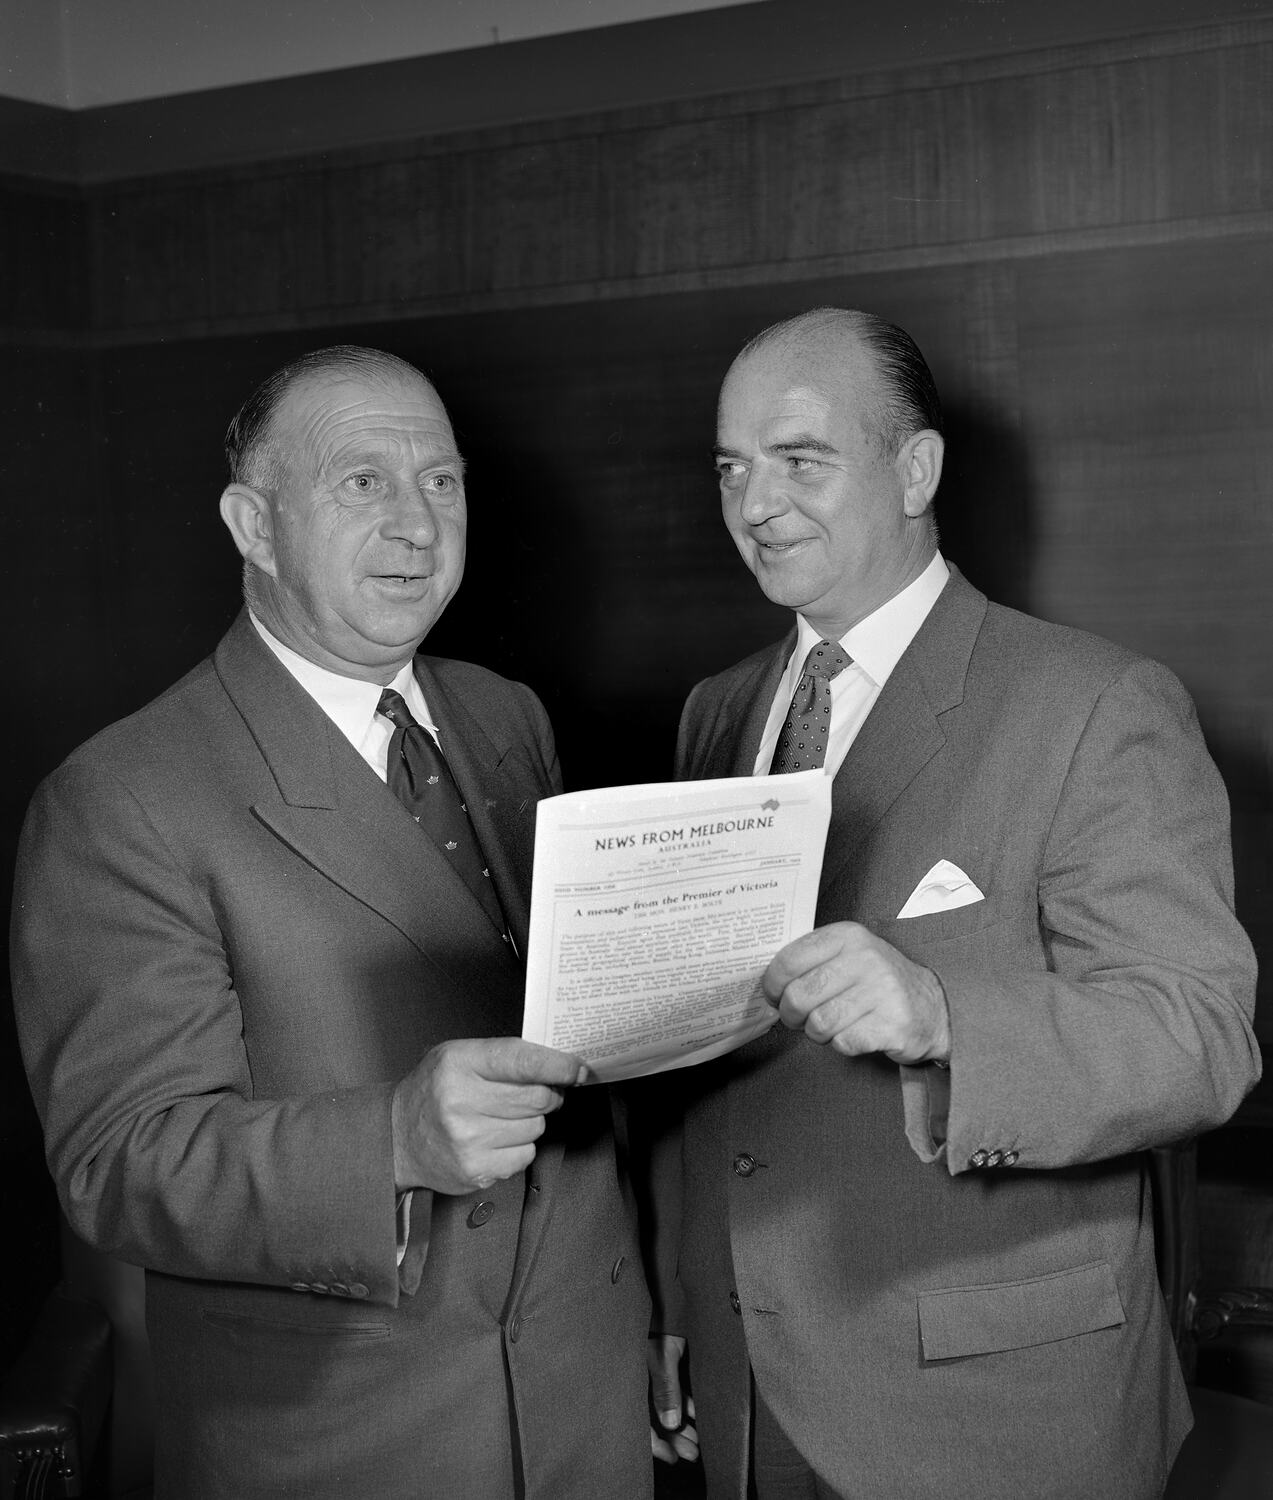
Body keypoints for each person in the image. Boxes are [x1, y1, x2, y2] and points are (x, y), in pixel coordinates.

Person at [12, 346, 653, 1499]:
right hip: (348, 1439)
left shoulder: (507, 718)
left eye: (443, 483)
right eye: (363, 483)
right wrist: (395, 1142)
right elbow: (121, 1163)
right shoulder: (123, 798)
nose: (417, 526)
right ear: (252, 526)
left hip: (582, 1404)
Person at [643, 308, 1260, 1500]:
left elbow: (1197, 1036)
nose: (753, 503)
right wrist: (681, 1292)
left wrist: (944, 1015)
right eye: (731, 467)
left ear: (915, 469)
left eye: (799, 460)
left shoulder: (1093, 704)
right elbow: (702, 1052)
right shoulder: (715, 714)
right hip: (745, 1393)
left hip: (992, 1415)